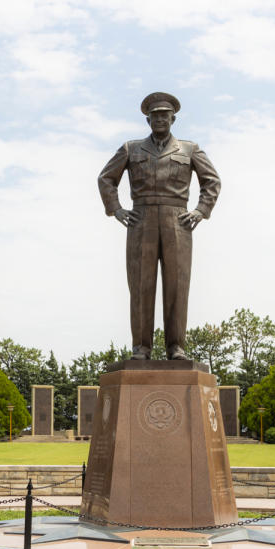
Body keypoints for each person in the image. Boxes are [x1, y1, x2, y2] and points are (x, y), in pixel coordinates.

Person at [97, 92, 221, 360]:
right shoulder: (132, 149)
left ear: (173, 118)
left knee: (177, 284)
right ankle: (141, 347)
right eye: (155, 116)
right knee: (141, 285)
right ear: (148, 120)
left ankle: (176, 347)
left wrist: (201, 210)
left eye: (165, 115)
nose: (160, 119)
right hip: (141, 219)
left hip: (177, 219)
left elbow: (212, 181)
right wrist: (115, 209)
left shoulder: (189, 149)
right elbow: (106, 178)